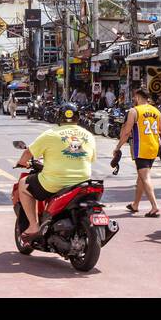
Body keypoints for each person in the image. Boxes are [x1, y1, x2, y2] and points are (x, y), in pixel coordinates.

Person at [15, 103, 96, 242]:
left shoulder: (51, 134)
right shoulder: (89, 135)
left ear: (59, 118)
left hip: (54, 183)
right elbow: (91, 158)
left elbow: (28, 152)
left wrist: (22, 163)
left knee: (23, 185)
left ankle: (33, 226)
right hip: (82, 182)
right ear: (77, 117)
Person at [112, 88, 161, 216]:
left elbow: (127, 132)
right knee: (141, 177)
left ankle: (155, 206)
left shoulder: (134, 111)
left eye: (135, 98)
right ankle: (135, 204)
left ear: (138, 97)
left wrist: (118, 147)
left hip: (141, 148)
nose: (134, 100)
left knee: (145, 177)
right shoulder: (156, 111)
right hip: (154, 148)